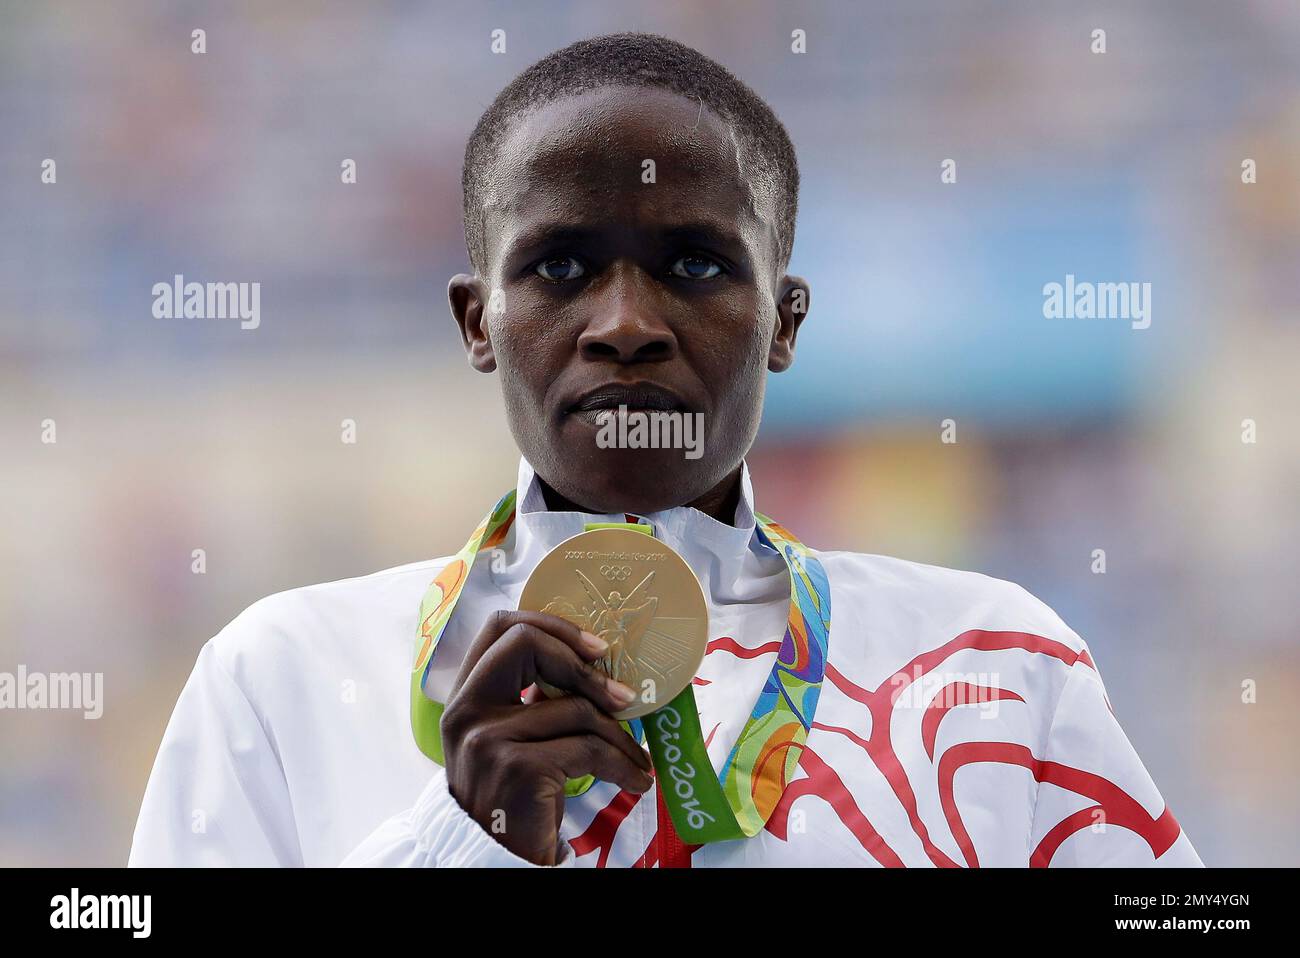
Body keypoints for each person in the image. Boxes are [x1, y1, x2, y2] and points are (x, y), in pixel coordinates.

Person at [129, 33, 1201, 868]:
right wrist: (461, 843)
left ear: (782, 323)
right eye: (558, 267)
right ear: (475, 321)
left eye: (692, 264)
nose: (626, 323)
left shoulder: (995, 668)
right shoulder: (284, 677)